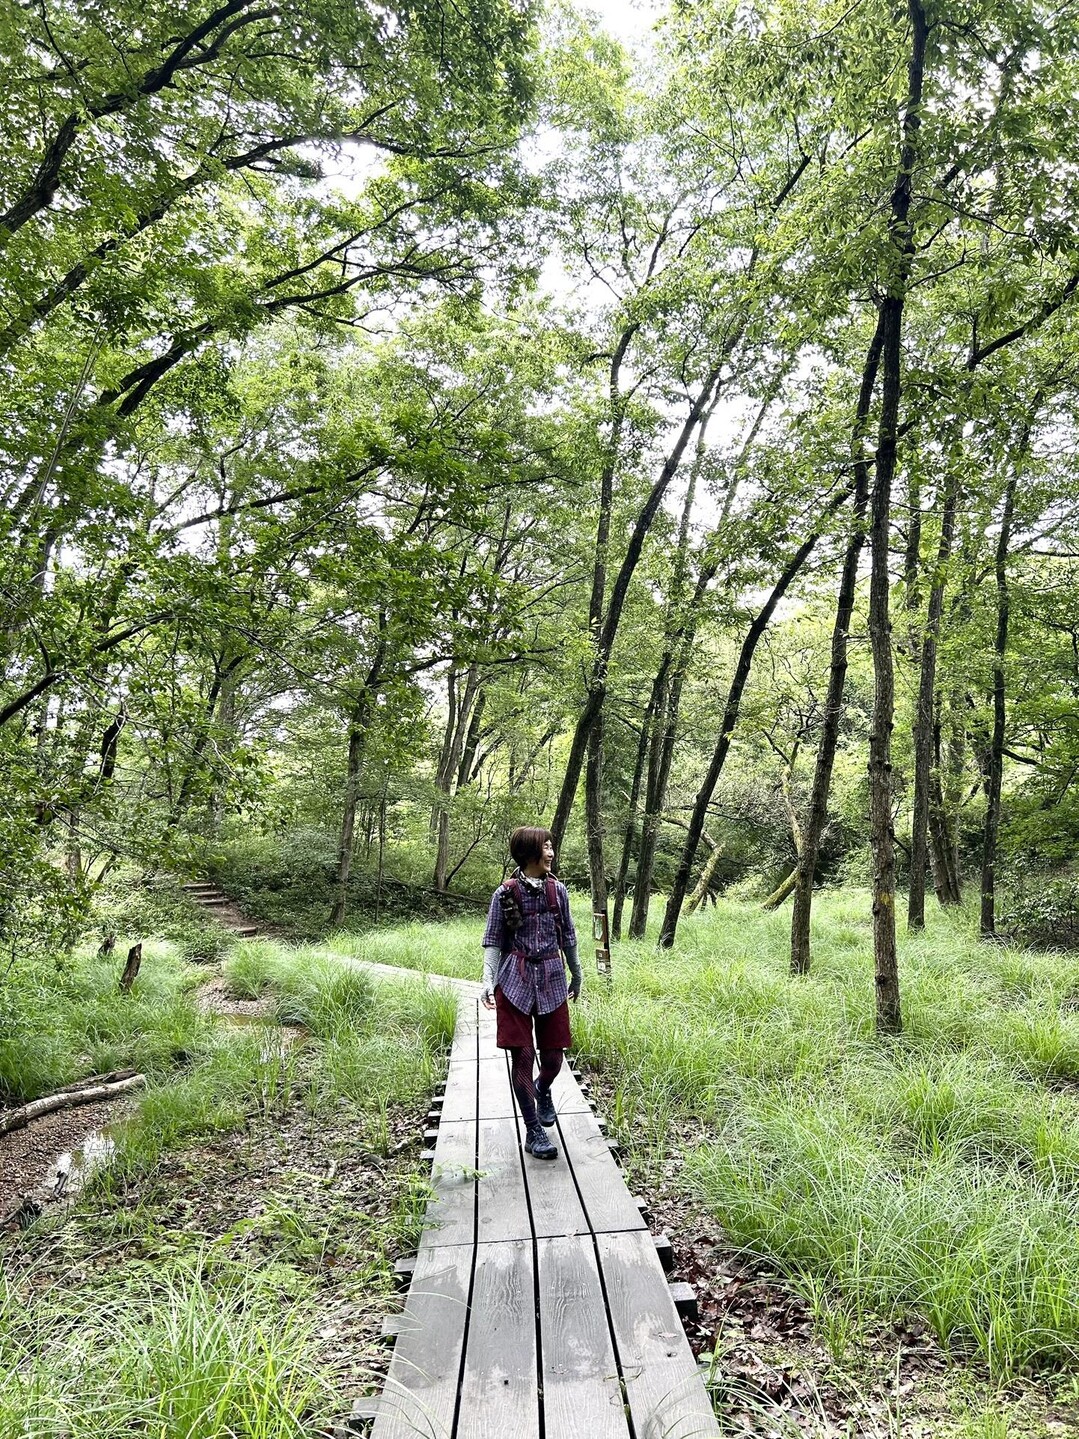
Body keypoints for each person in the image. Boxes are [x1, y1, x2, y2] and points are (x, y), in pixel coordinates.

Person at [480, 826, 581, 1162]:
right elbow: (494, 939)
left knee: (553, 1058)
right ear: (529, 853)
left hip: (552, 979)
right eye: (546, 847)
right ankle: (533, 1130)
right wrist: (486, 980)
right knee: (522, 1056)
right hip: (514, 981)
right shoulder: (505, 893)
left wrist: (577, 972)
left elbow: (568, 934)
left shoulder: (558, 892)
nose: (551, 853)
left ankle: (542, 1088)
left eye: (552, 847)